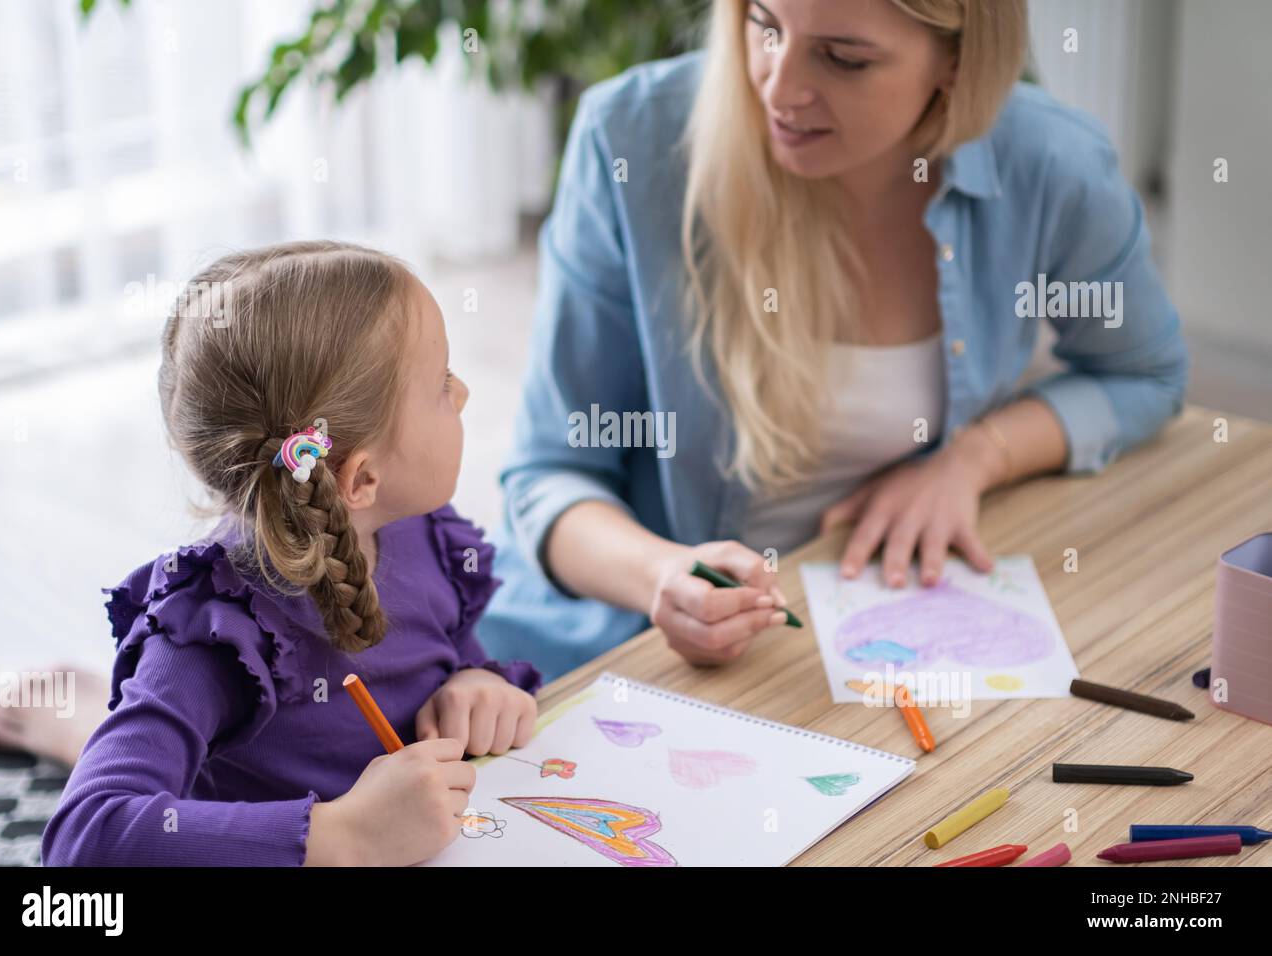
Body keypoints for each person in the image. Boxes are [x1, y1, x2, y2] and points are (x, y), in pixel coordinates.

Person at [475, 0, 1188, 680]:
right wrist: (662, 575)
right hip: (630, 643)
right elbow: (549, 473)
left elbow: (1145, 373)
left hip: (880, 623)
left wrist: (974, 459)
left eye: (843, 58)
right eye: (764, 24)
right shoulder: (630, 140)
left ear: (957, 59)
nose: (779, 89)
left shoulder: (1048, 162)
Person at [41, 241, 540, 866]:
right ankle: (81, 724)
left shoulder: (421, 535)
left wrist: (476, 682)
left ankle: (90, 718)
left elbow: (451, 652)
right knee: (142, 742)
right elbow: (81, 841)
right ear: (360, 481)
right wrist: (342, 835)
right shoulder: (215, 631)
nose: (462, 391)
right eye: (441, 382)